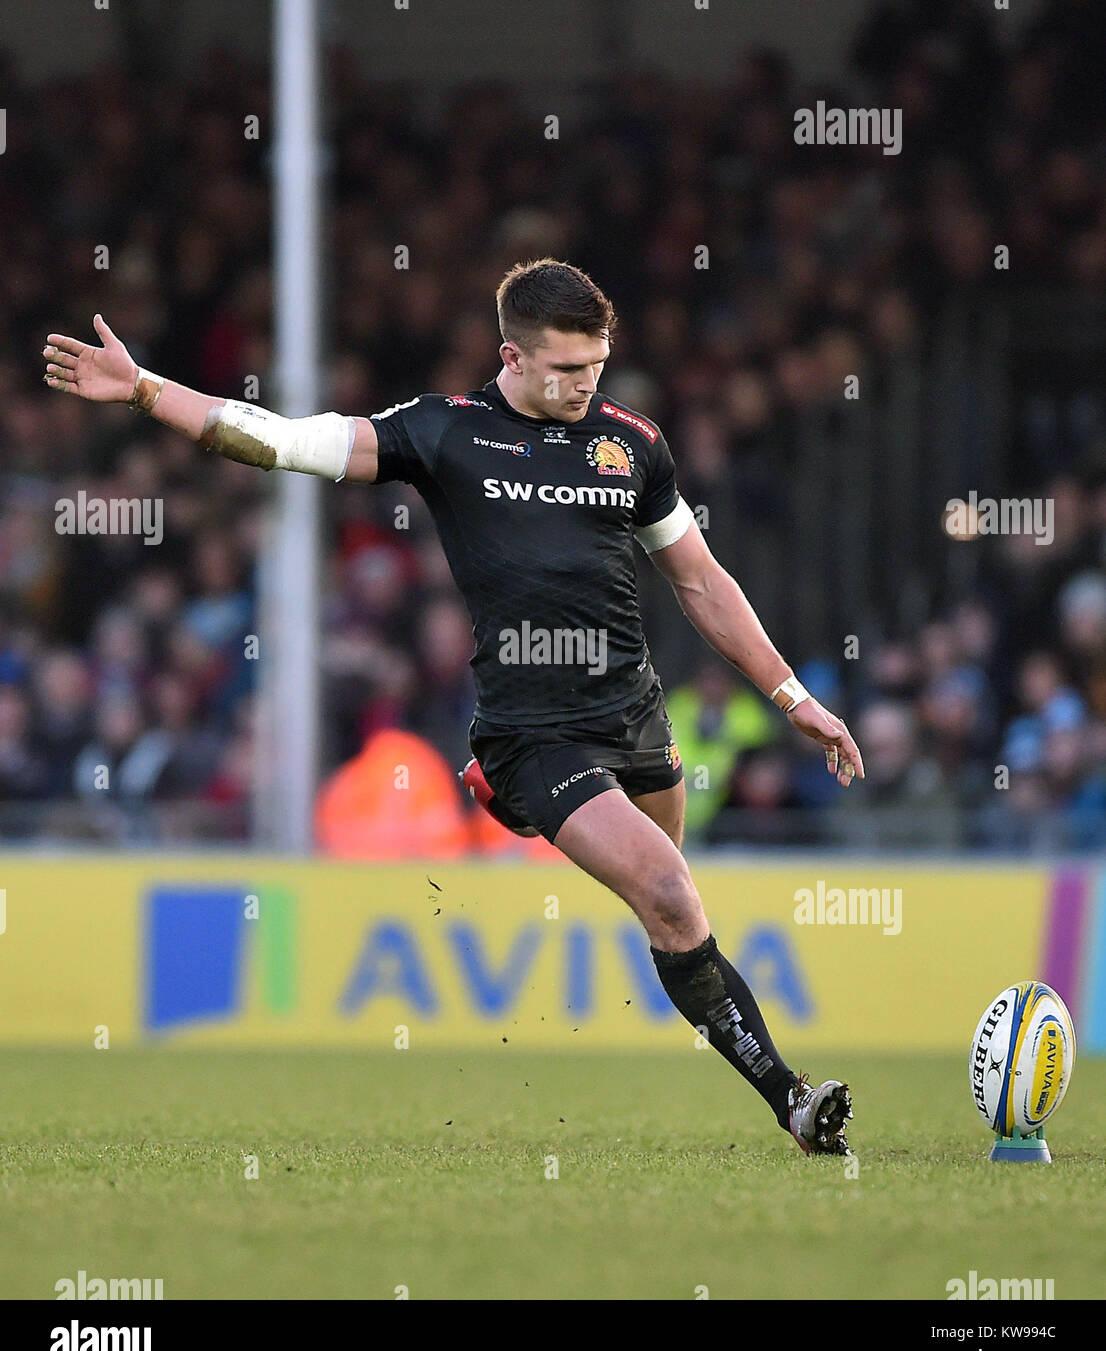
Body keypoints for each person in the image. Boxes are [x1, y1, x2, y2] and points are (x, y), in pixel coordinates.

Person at [42, 258, 865, 1155]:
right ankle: (792, 1098)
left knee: (673, 906)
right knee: (669, 893)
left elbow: (700, 581)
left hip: (635, 716)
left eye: (596, 366)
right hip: (534, 732)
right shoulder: (445, 433)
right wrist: (145, 391)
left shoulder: (632, 443)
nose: (584, 385)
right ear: (511, 355)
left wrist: (791, 696)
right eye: (564, 369)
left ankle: (539, 826)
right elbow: (281, 440)